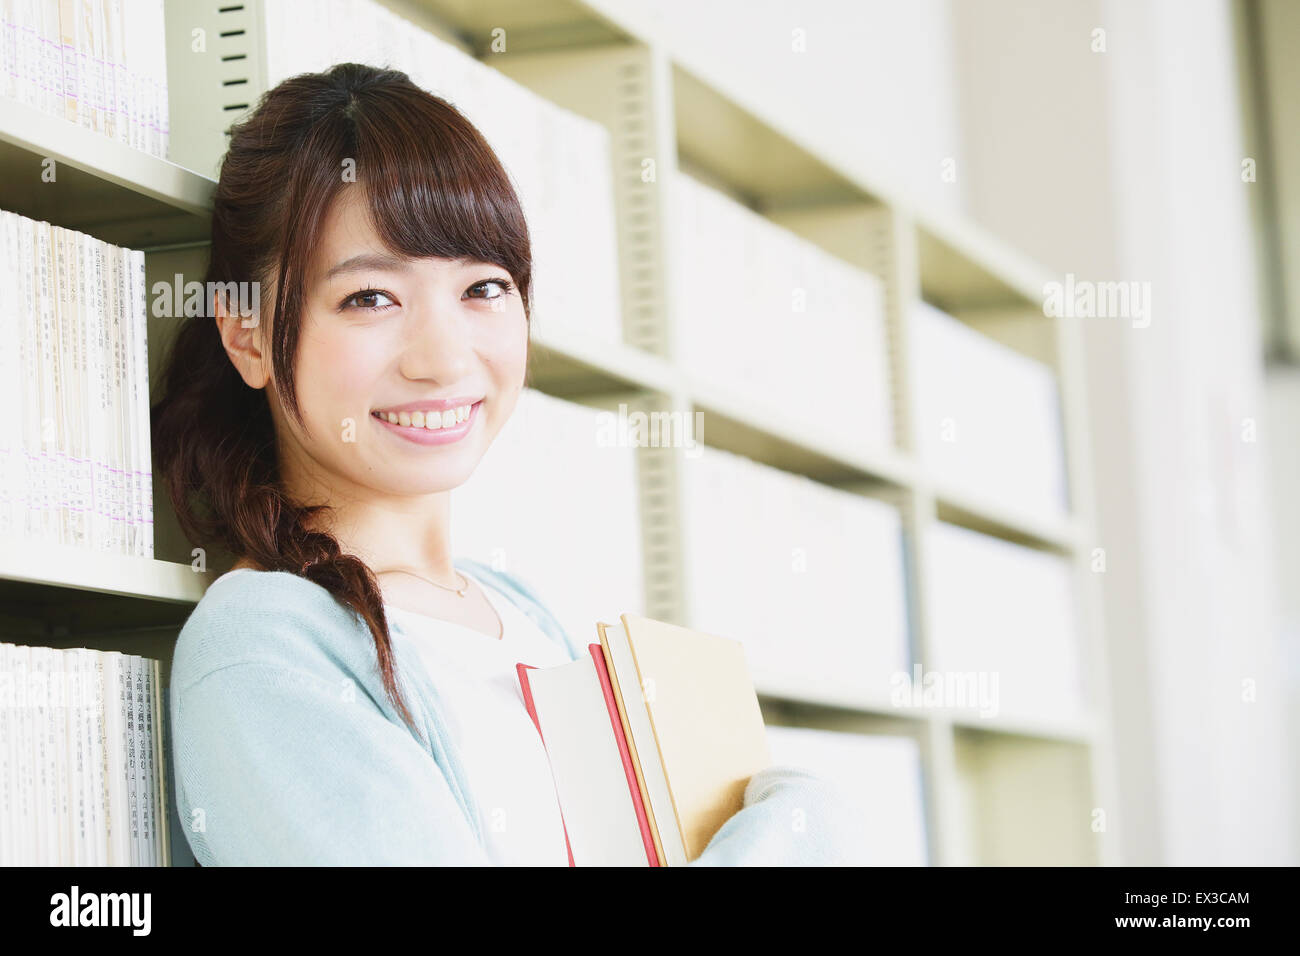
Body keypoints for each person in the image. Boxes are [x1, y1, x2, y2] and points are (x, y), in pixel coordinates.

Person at [154, 62, 867, 866]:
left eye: (484, 288)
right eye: (371, 298)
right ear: (247, 333)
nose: (442, 358)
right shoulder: (262, 646)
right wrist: (802, 823)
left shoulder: (523, 613)